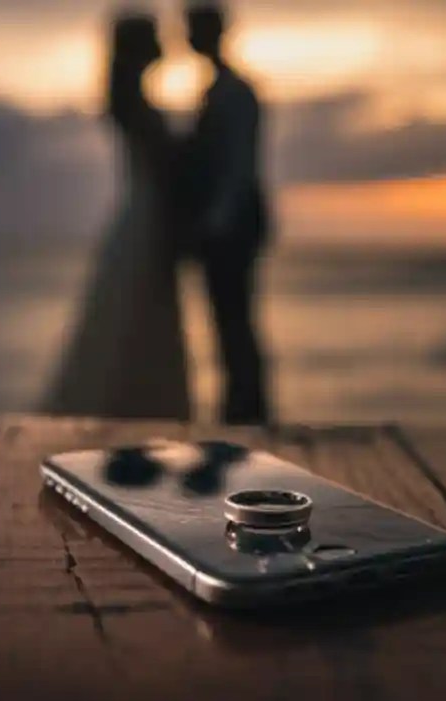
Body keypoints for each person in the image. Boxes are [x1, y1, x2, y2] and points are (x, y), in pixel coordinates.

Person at [41, 14, 191, 420]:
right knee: (138, 313)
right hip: (147, 216)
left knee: (136, 313)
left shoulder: (130, 102)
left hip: (142, 213)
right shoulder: (137, 106)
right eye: (155, 36)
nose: (165, 40)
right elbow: (164, 165)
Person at [181, 2, 273, 425]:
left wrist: (216, 222)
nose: (186, 37)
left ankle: (247, 409)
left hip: (232, 227)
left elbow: (238, 164)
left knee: (234, 319)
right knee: (230, 319)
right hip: (229, 223)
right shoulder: (220, 89)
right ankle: (241, 405)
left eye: (193, 28)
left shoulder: (234, 92)